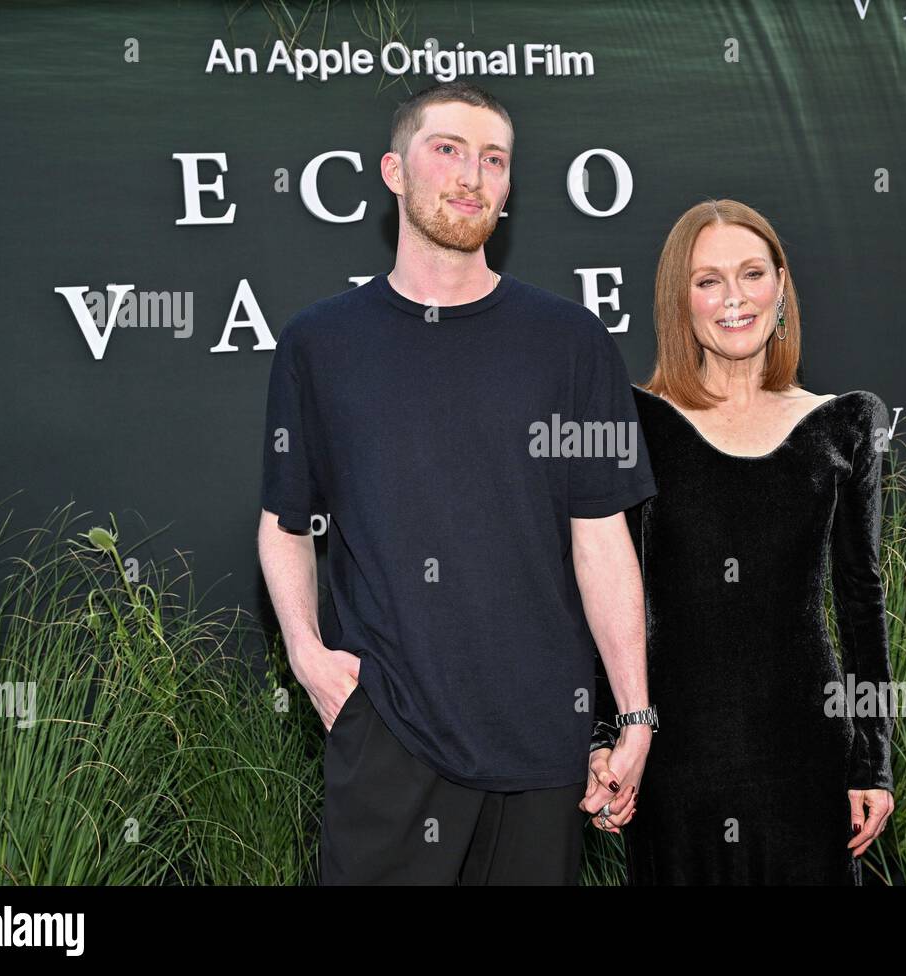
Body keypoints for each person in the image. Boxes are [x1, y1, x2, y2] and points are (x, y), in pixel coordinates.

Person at [257, 81, 657, 884]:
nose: (472, 175)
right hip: (388, 737)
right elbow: (283, 522)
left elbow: (602, 535)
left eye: (494, 160)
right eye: (448, 150)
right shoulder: (319, 344)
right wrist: (307, 655)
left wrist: (635, 712)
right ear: (394, 171)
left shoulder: (570, 342)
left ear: (508, 187)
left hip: (542, 744)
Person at [584, 200, 896, 884]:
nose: (734, 299)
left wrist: (872, 762)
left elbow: (861, 602)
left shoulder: (844, 425)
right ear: (680, 300)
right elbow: (611, 595)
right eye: (708, 281)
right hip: (676, 765)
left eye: (752, 273)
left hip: (809, 759)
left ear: (781, 286)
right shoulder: (636, 423)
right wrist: (606, 740)